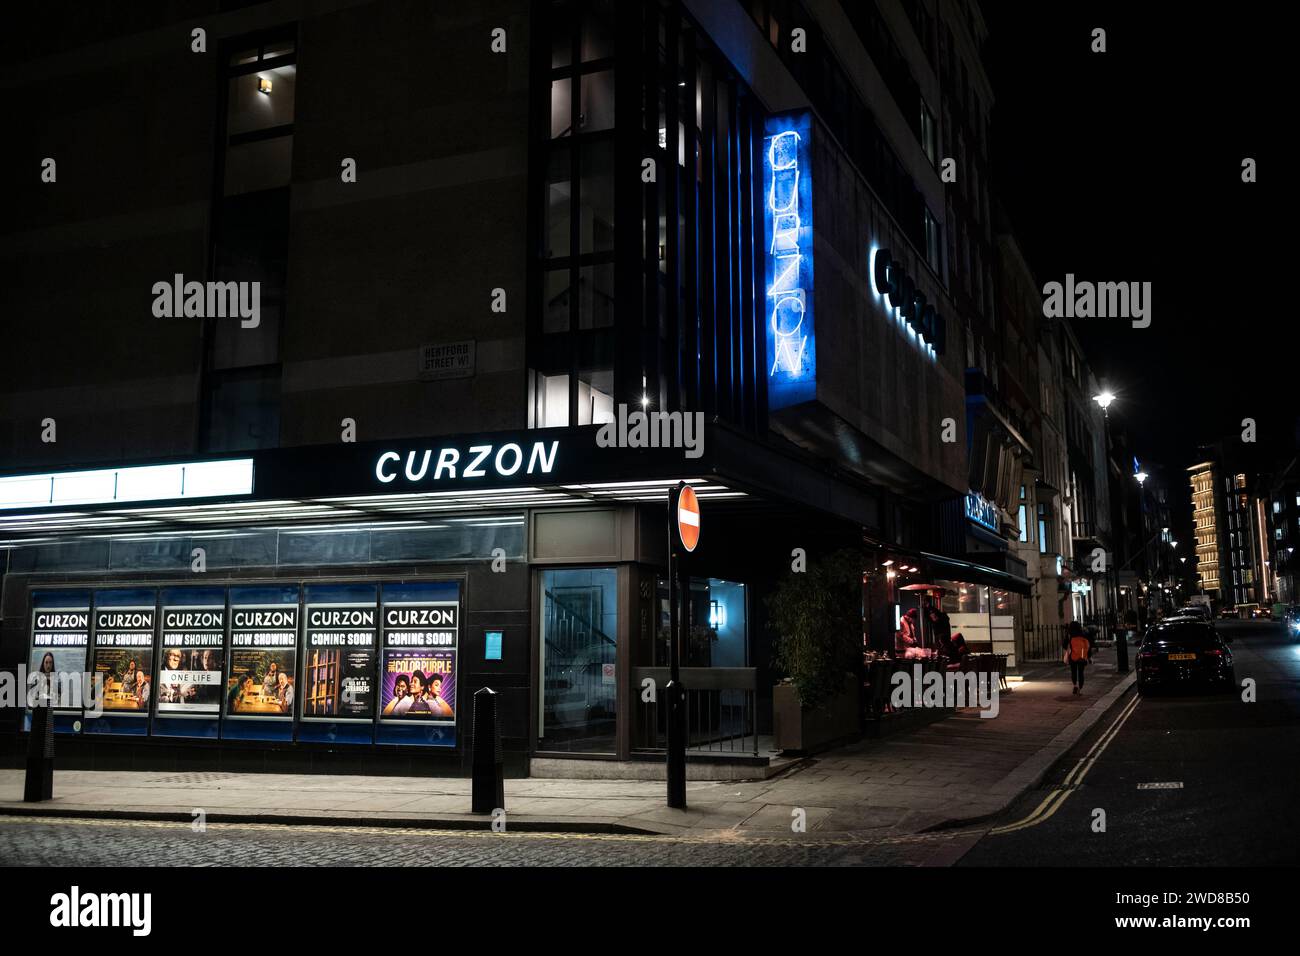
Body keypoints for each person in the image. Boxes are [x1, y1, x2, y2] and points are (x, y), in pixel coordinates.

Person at [1065, 620, 1091, 695]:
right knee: (1081, 673)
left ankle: (1075, 686)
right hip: (1082, 657)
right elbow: (1087, 646)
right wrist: (1089, 657)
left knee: (1073, 672)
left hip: (1072, 657)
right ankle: (1080, 688)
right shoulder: (1083, 634)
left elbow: (1064, 644)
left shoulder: (1070, 635)